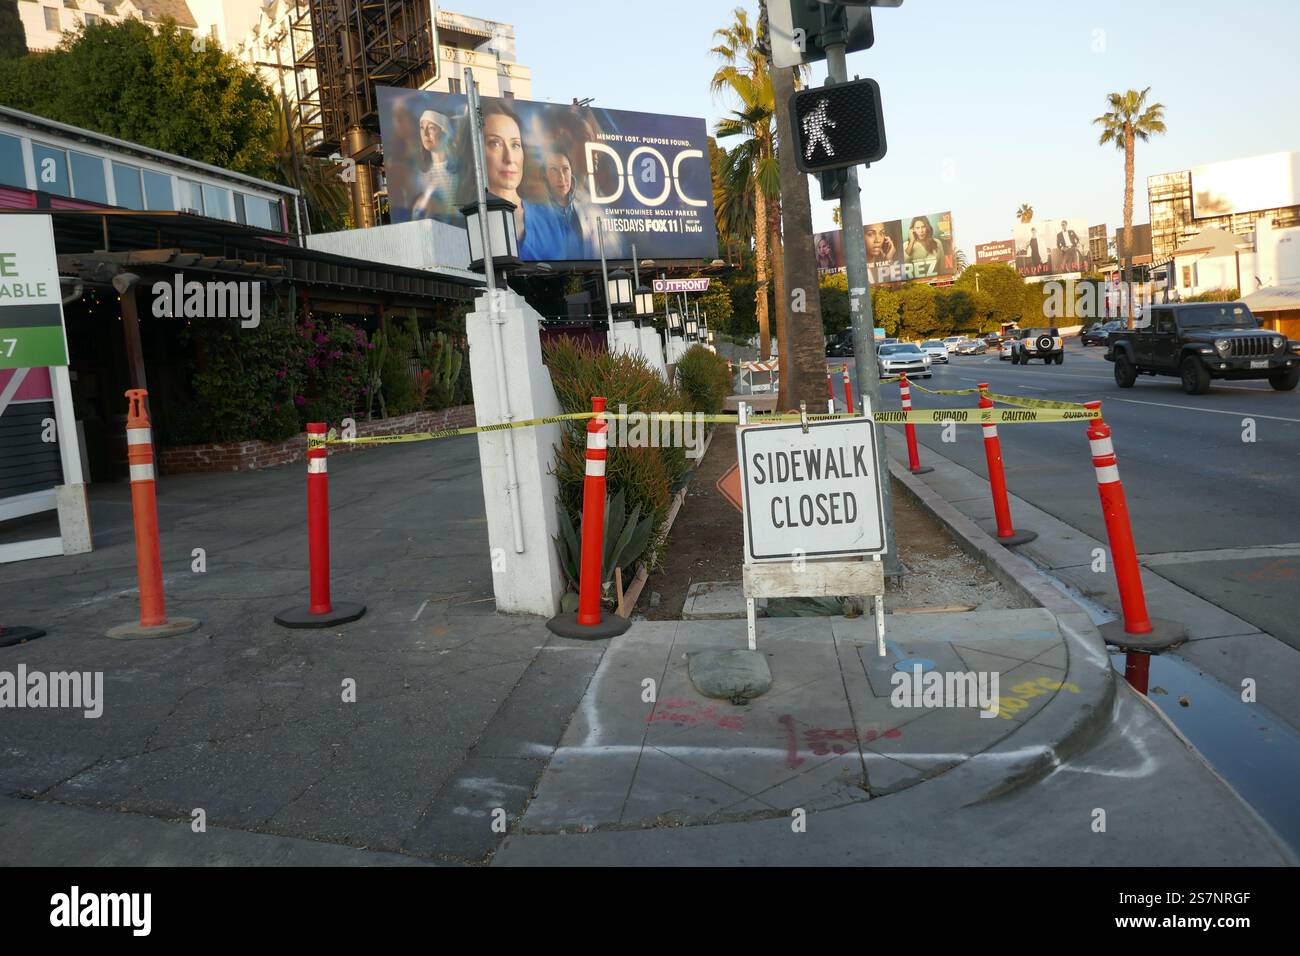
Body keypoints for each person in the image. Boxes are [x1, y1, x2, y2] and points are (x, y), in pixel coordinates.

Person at [476, 102, 577, 261]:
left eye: (515, 144)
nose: (509, 158)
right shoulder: (472, 221)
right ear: (477, 151)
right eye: (495, 143)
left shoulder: (548, 219)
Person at [410, 110, 455, 221]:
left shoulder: (460, 173)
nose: (425, 134)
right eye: (421, 128)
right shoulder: (419, 177)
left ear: (445, 132)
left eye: (431, 128)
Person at [543, 146, 588, 258]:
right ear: (544, 175)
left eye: (565, 169)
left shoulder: (586, 208)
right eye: (553, 170)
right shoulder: (537, 214)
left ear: (571, 172)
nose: (561, 177)